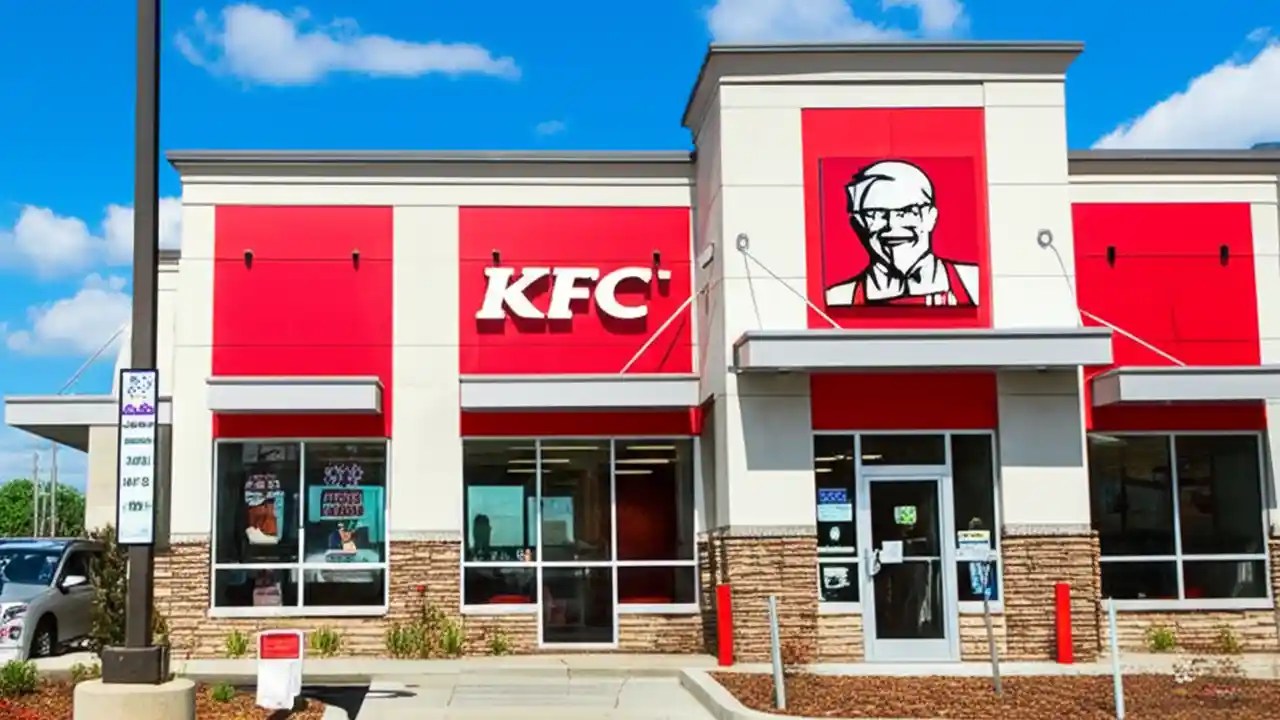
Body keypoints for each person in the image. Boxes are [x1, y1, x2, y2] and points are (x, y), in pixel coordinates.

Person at [825, 160, 979, 307]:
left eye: (908, 211)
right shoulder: (838, 297)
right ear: (858, 224)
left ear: (930, 217)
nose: (893, 225)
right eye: (876, 213)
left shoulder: (974, 282)